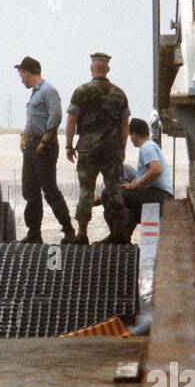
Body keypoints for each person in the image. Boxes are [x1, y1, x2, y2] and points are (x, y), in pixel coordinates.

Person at [65, 52, 130, 244]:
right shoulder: (119, 94)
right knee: (114, 189)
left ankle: (82, 233)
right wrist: (122, 147)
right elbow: (125, 124)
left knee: (86, 190)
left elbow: (71, 119)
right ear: (107, 69)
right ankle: (118, 232)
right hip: (112, 148)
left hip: (88, 148)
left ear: (92, 68)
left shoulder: (81, 91)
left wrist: (69, 146)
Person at [15, 55, 75, 244]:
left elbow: (55, 117)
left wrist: (45, 141)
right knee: (30, 191)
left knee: (49, 190)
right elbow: (33, 120)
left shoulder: (48, 91)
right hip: (32, 146)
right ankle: (34, 232)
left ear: (27, 73)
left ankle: (68, 231)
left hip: (44, 147)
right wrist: (25, 135)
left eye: (21, 74)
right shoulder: (35, 93)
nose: (21, 78)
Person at [117, 117, 174, 243]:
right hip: (161, 195)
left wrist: (136, 185)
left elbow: (156, 170)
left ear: (134, 134)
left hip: (159, 196)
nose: (130, 139)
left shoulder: (146, 148)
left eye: (130, 135)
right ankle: (123, 236)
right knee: (130, 202)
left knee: (111, 195)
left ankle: (117, 235)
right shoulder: (151, 146)